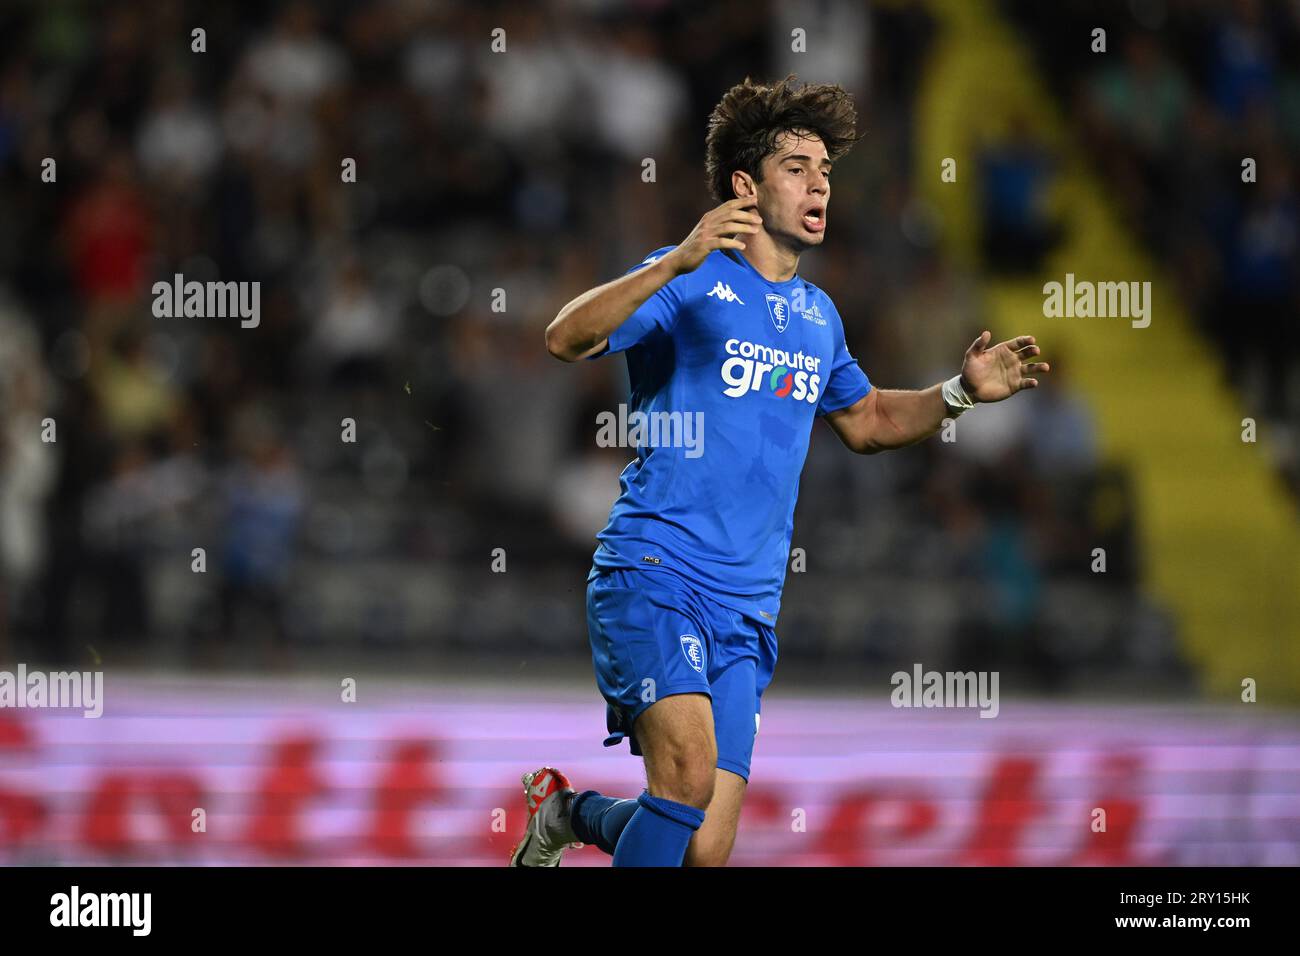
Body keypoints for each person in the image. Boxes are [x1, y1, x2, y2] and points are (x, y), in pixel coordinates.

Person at [512, 75, 1050, 867]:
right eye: (797, 166)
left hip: (748, 606)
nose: (820, 183)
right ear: (745, 185)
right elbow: (564, 337)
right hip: (658, 569)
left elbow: (866, 422)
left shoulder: (818, 317)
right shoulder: (691, 274)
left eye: (825, 169)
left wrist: (961, 392)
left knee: (704, 846)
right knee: (687, 780)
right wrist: (673, 261)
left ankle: (566, 814)